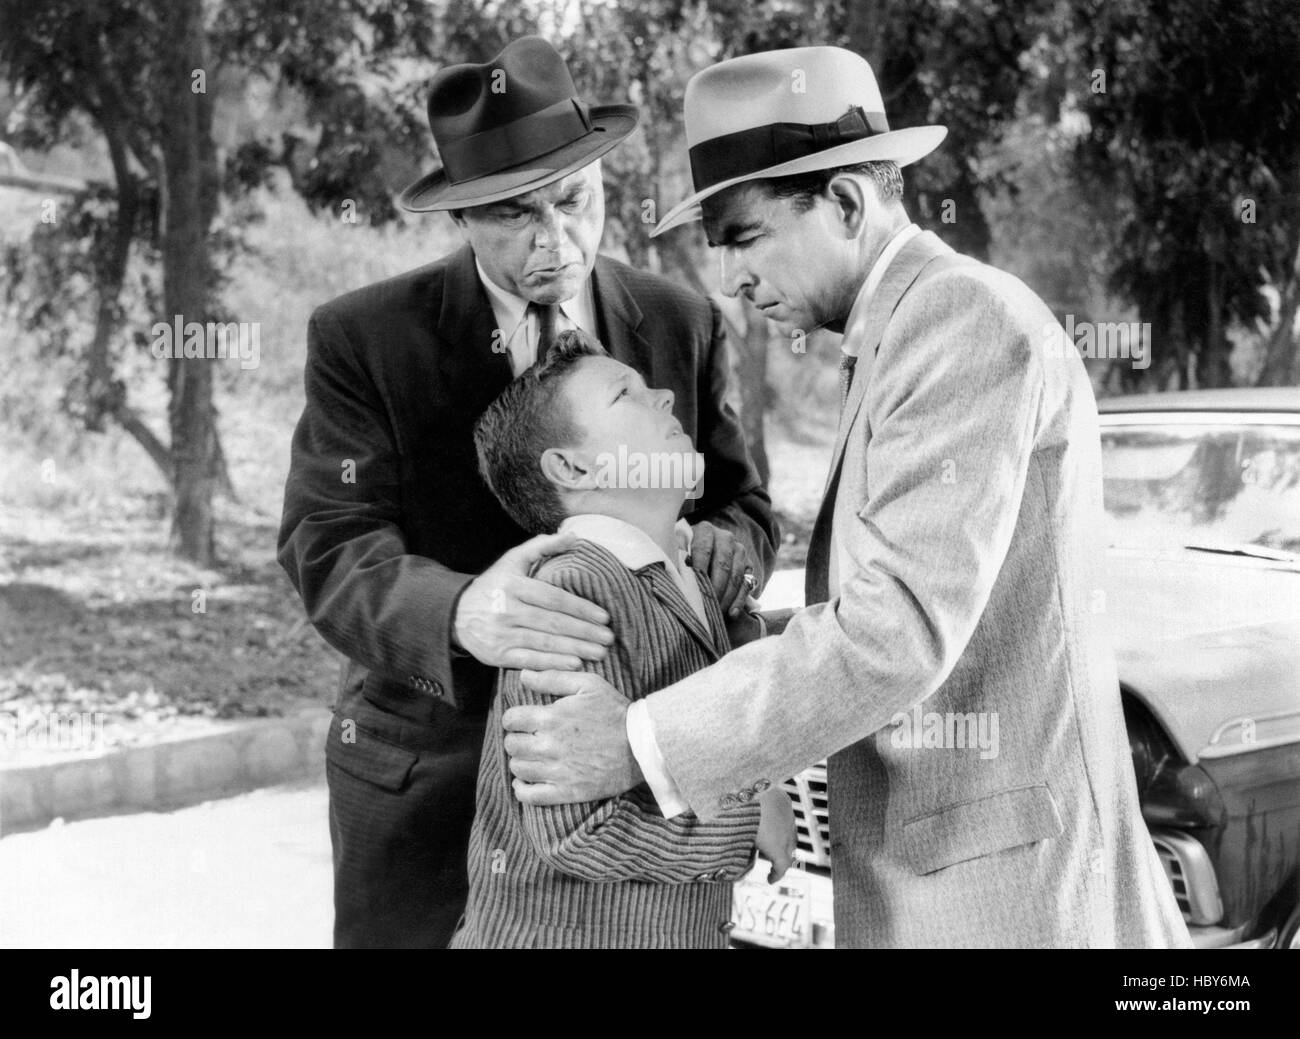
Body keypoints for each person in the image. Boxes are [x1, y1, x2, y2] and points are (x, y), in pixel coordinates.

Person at [499, 46, 1193, 948]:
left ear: (847, 203)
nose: (732, 283)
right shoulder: (897, 335)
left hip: (1007, 894)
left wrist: (641, 740)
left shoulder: (958, 321)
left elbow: (893, 626)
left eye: (746, 239)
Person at [276, 36, 777, 948]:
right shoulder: (363, 338)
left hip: (629, 820)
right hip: (423, 794)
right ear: (463, 217)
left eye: (574, 202)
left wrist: (722, 551)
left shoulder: (680, 320)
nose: (558, 240)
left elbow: (743, 504)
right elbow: (328, 543)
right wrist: (466, 611)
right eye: (517, 216)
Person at [449, 330, 795, 948]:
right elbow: (578, 831)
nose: (663, 395)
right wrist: (745, 825)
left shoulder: (687, 579)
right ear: (573, 466)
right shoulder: (573, 590)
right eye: (625, 394)